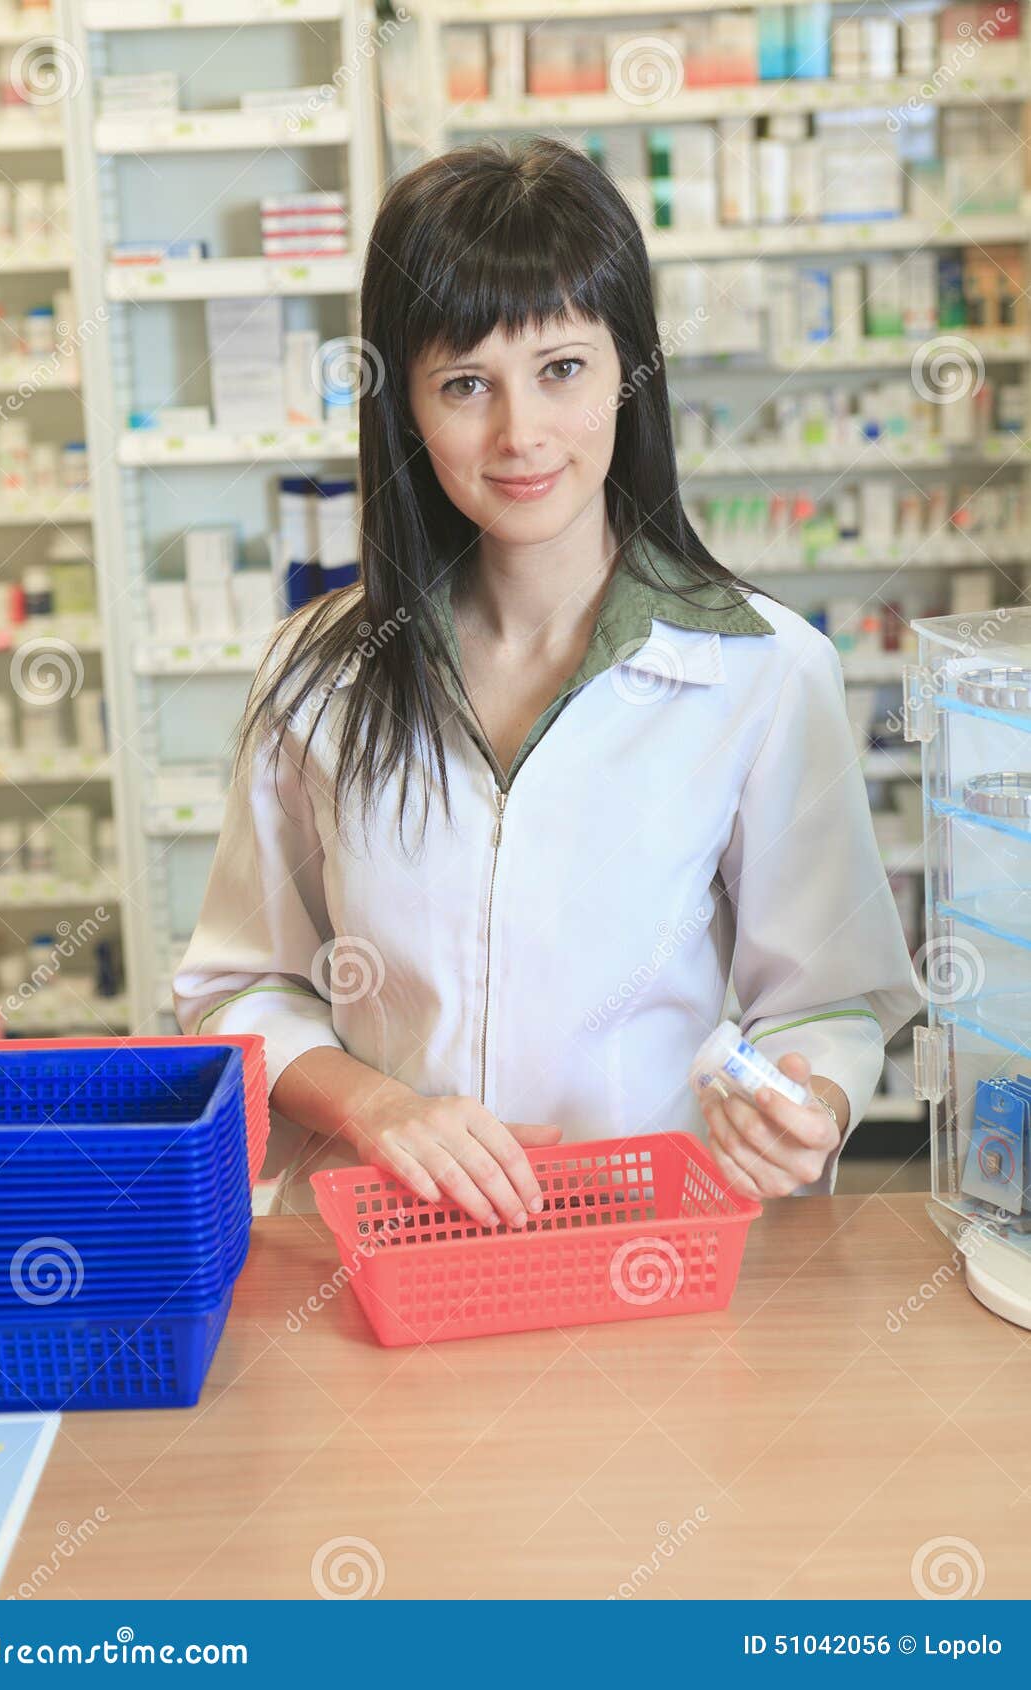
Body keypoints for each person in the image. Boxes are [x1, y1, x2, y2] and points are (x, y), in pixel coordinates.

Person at [173, 136, 921, 1223]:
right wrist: (380, 1109)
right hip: (387, 1244)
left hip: (643, 1247)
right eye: (465, 383)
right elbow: (244, 987)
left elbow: (827, 995)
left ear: (628, 372)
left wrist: (808, 1102)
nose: (519, 434)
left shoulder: (760, 670)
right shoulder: (317, 674)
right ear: (403, 406)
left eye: (561, 368)